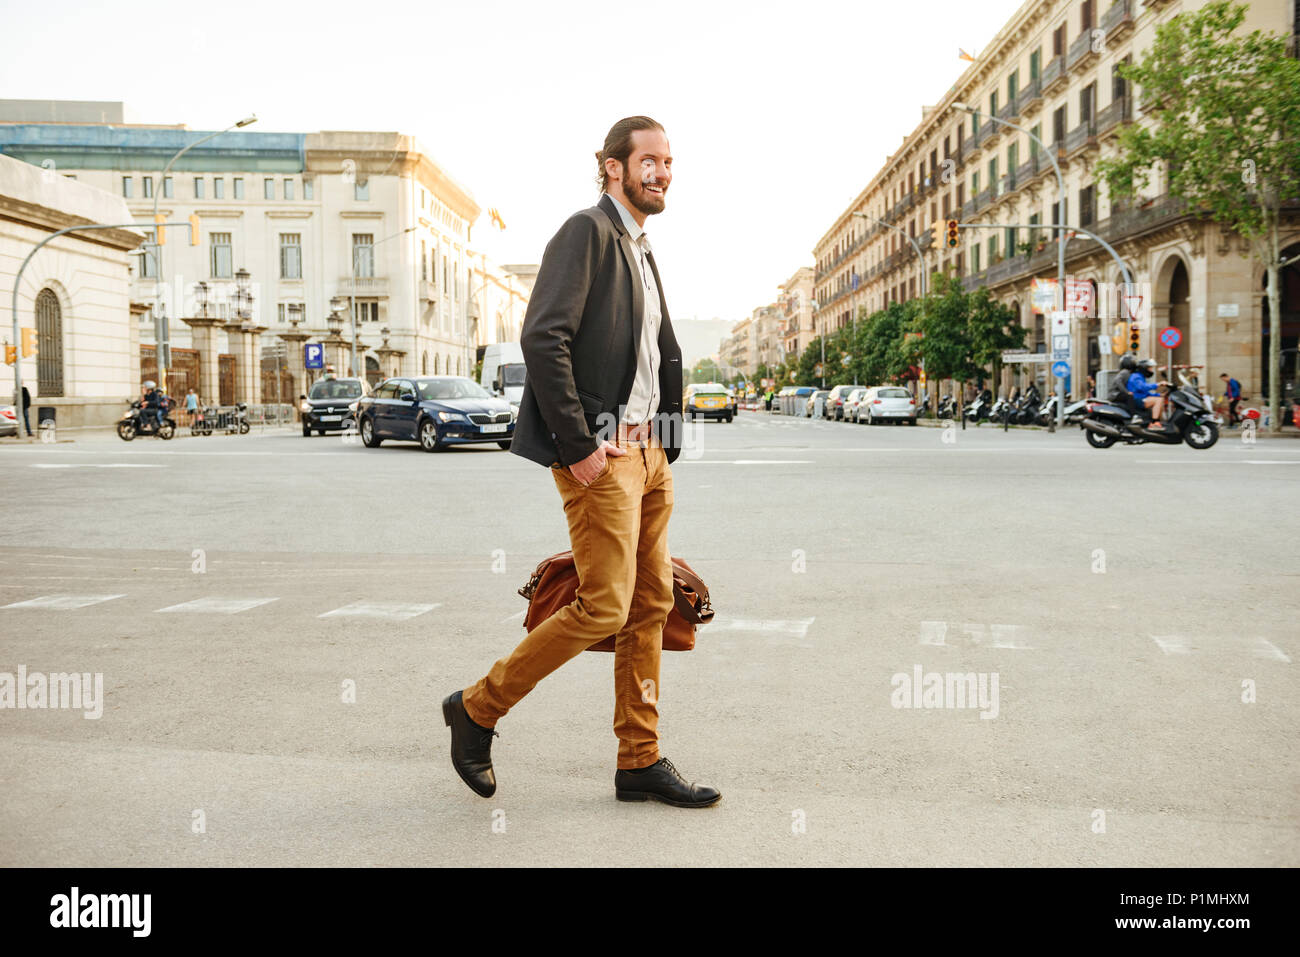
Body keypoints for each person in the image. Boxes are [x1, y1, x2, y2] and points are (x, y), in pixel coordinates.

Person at [444, 116, 718, 809]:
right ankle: (477, 708)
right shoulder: (587, 232)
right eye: (648, 161)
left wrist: (662, 443)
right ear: (612, 167)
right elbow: (544, 336)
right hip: (604, 451)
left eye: (669, 161)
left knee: (650, 603)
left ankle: (639, 759)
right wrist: (580, 447)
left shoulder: (640, 249)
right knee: (602, 606)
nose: (662, 172)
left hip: (650, 450)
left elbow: (649, 356)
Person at [1128, 358, 1165, 429]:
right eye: (1150, 368)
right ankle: (1154, 423)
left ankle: (1157, 422)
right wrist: (1157, 384)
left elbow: (1145, 393)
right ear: (1144, 368)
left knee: (1160, 398)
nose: (1151, 370)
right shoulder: (1136, 376)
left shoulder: (1140, 377)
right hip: (1137, 399)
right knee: (1158, 400)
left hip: (1140, 398)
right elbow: (1142, 387)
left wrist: (1158, 395)